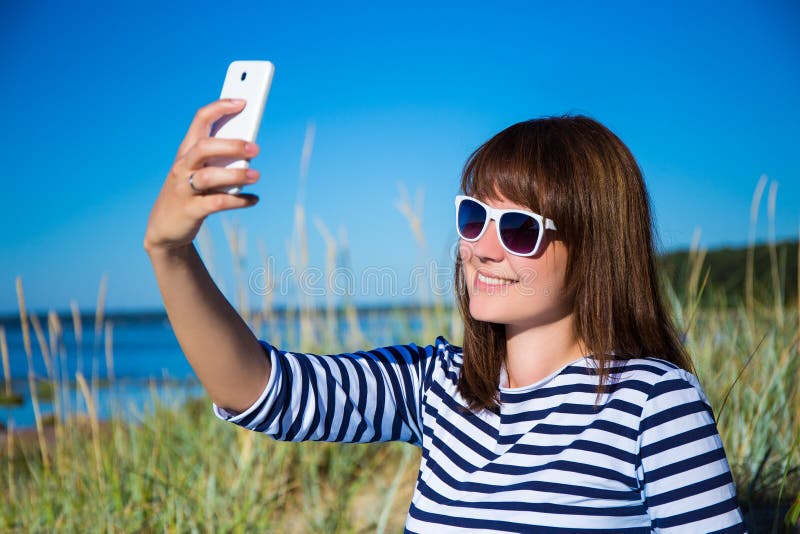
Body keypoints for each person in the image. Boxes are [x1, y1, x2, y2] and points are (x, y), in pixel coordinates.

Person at [144, 98, 746, 532]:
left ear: (596, 246)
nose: (481, 248)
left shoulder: (653, 404)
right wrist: (170, 251)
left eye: (518, 228)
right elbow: (260, 390)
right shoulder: (436, 384)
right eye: (473, 217)